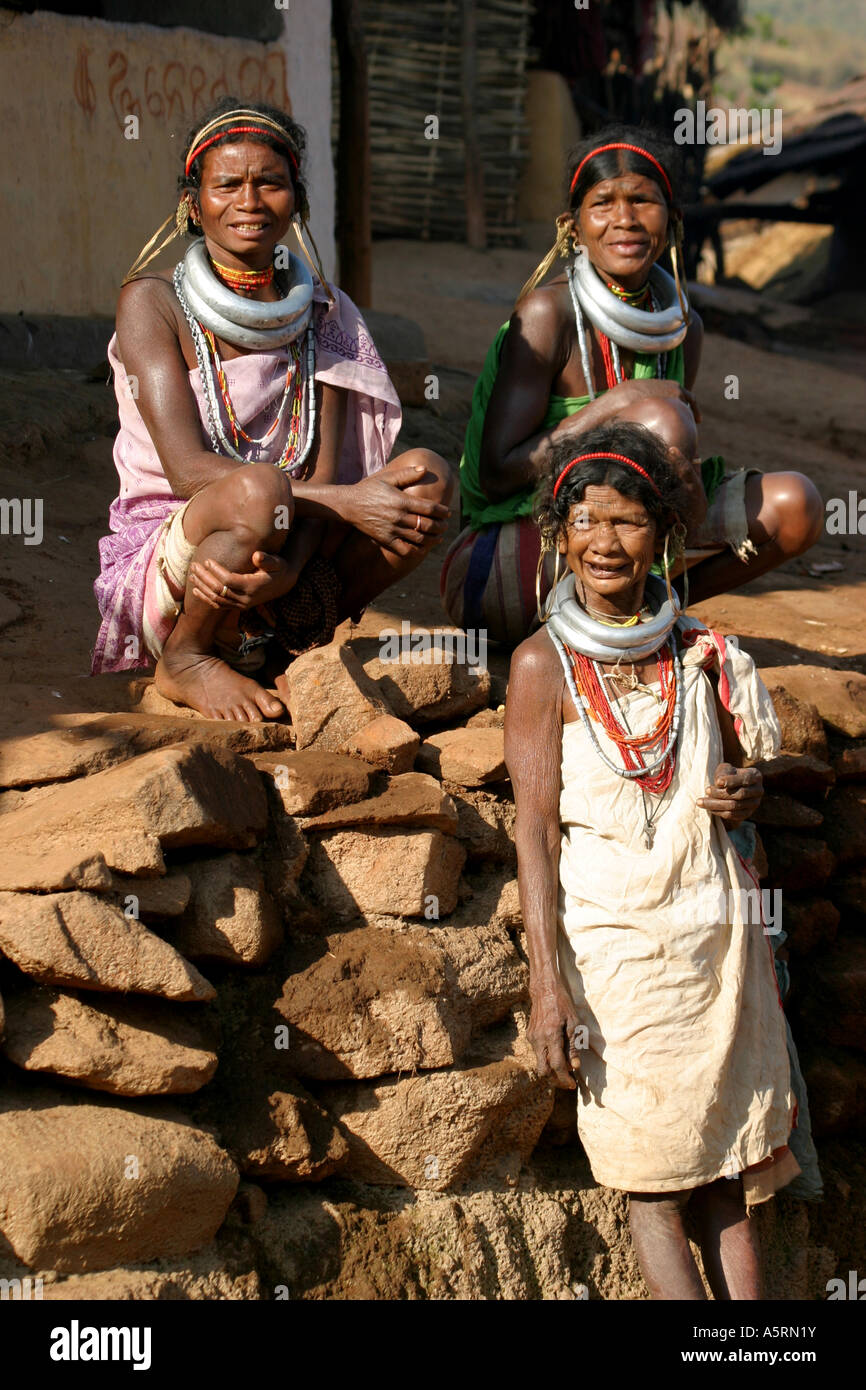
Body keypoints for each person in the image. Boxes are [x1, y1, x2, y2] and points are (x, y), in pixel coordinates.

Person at [504, 420, 801, 1300]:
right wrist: (547, 985)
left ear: (663, 537)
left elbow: (748, 774)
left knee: (729, 1171)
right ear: (558, 536)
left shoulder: (701, 653)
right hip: (614, 955)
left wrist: (746, 792)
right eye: (586, 522)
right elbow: (533, 832)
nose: (605, 542)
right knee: (650, 1178)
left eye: (629, 522)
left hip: (713, 943)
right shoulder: (539, 666)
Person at [93, 97, 453, 721]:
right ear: (192, 203)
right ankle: (190, 656)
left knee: (427, 478)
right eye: (227, 184)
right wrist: (343, 505)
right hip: (182, 551)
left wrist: (289, 570)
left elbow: (323, 474)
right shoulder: (152, 303)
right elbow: (184, 469)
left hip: (290, 555)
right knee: (257, 489)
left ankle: (285, 644)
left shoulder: (326, 313)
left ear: (298, 200)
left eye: (271, 183)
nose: (250, 202)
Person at [442, 125, 822, 646]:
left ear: (673, 221)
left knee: (795, 504)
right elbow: (496, 473)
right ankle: (591, 623)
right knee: (659, 420)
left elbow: (670, 496)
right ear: (573, 226)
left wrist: (686, 489)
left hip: (632, 542)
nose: (624, 219)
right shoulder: (546, 314)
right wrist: (619, 403)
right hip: (509, 561)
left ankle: (649, 612)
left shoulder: (681, 327)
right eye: (602, 203)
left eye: (643, 200)